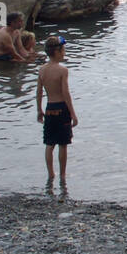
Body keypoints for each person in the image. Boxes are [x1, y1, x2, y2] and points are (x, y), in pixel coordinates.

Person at [36, 36, 78, 181]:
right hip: (61, 108)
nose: (64, 53)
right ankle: (62, 175)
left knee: (49, 144)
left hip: (49, 108)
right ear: (57, 51)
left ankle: (50, 174)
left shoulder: (42, 70)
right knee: (63, 144)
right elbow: (66, 93)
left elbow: (39, 92)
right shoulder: (62, 70)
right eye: (63, 50)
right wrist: (73, 113)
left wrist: (38, 110)